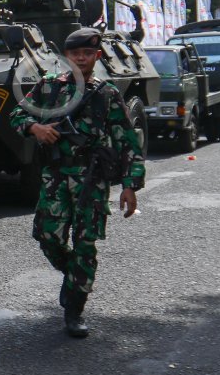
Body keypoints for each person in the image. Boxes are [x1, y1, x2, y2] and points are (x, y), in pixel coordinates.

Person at [8, 27, 145, 337]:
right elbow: (16, 114)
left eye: (87, 53)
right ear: (66, 57)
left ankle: (75, 308)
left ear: (96, 56)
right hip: (55, 176)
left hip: (91, 179)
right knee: (48, 237)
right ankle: (74, 277)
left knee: (85, 243)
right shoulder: (48, 87)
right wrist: (35, 129)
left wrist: (129, 185)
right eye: (75, 53)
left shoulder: (107, 94)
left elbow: (127, 142)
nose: (81, 58)